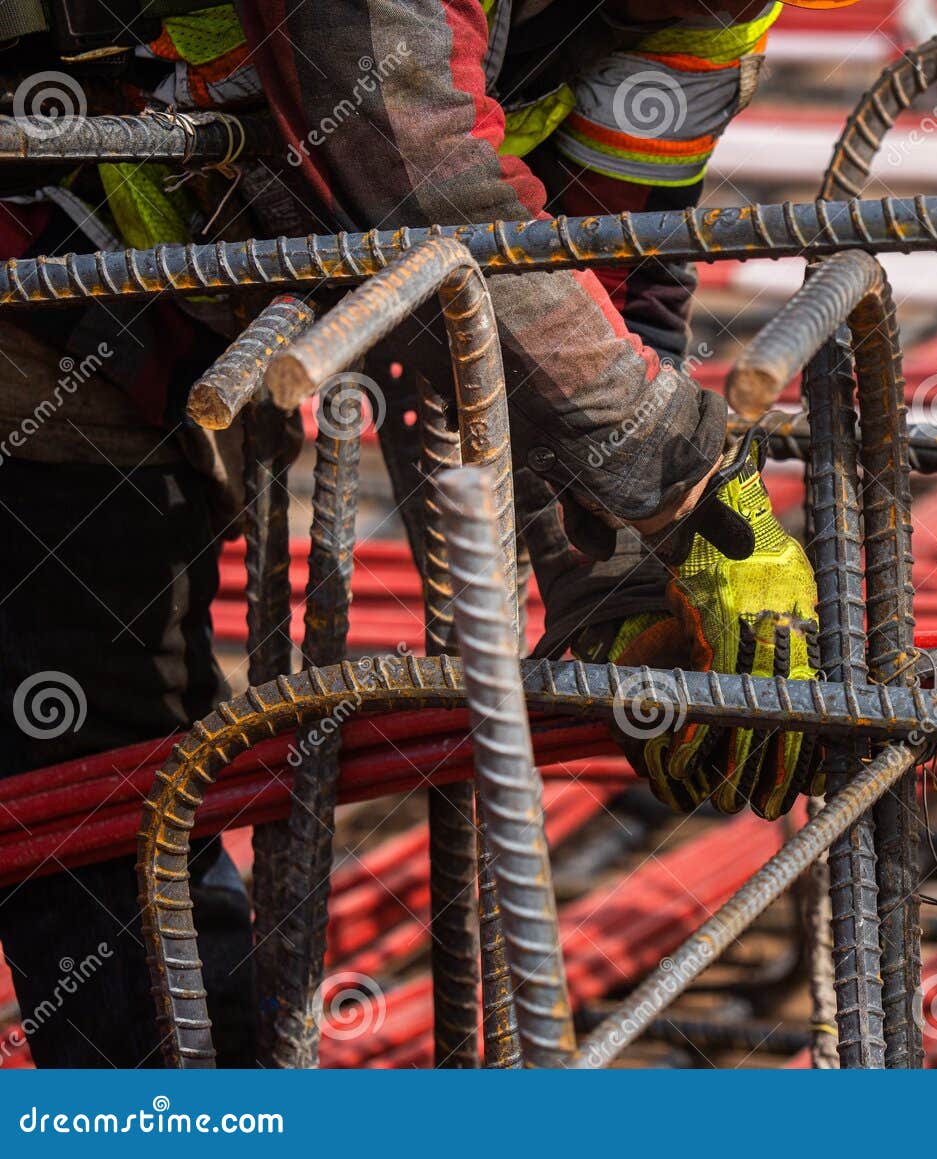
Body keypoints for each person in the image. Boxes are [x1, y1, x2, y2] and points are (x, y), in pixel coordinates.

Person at [0, 0, 845, 1066]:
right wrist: (687, 484)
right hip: (45, 234)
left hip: (134, 280)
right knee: (88, 769)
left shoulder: (710, 8)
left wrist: (625, 580)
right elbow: (404, 163)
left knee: (123, 784)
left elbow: (599, 274)